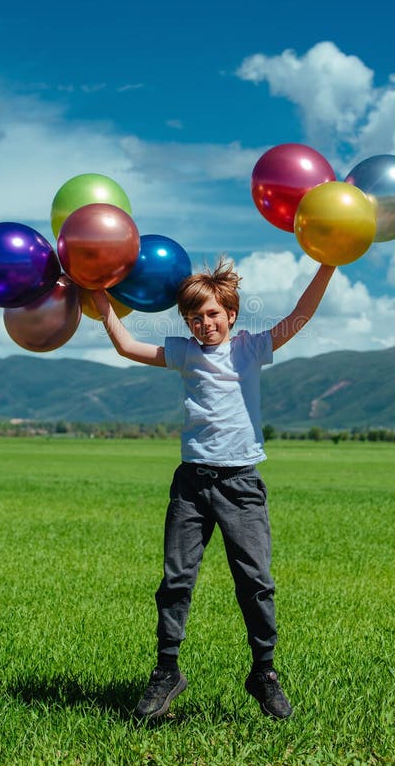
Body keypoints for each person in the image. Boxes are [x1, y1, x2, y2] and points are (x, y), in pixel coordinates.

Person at [91, 258, 335, 721]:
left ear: (231, 315)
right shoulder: (184, 353)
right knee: (175, 581)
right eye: (195, 317)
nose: (205, 324)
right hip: (191, 485)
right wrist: (97, 293)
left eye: (213, 315)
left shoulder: (251, 349)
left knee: (256, 582)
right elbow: (126, 346)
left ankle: (263, 672)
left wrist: (327, 265)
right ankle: (167, 672)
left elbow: (299, 317)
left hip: (241, 484)